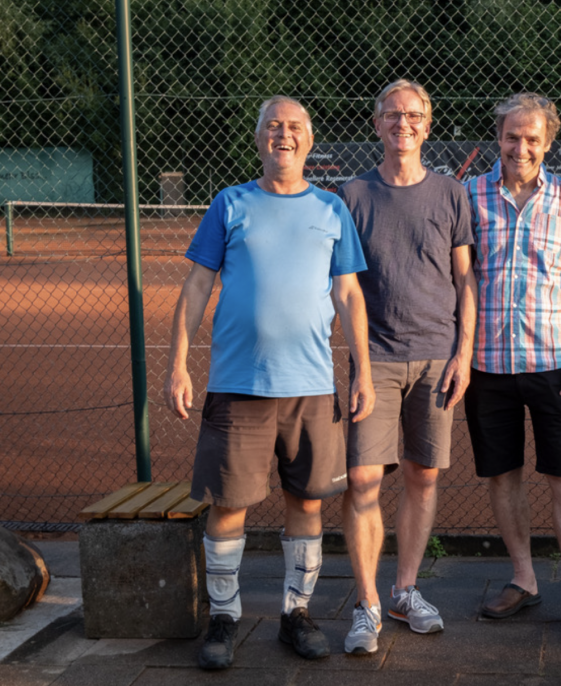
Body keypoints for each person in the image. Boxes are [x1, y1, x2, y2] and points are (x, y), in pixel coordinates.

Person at [163, 95, 375, 670]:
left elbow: (349, 294)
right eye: (273, 126)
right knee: (228, 506)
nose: (284, 135)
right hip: (239, 385)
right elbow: (198, 287)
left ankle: (295, 613)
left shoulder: (332, 209)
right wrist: (178, 362)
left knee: (305, 502)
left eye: (296, 127)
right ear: (258, 139)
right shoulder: (230, 203)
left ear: (310, 140)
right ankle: (224, 617)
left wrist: (363, 372)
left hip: (310, 386)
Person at [338, 79, 478, 655]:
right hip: (376, 361)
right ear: (377, 124)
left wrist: (463, 355)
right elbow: (344, 286)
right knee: (365, 480)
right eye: (392, 114)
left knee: (423, 476)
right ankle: (367, 604)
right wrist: (360, 367)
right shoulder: (352, 194)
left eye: (414, 115)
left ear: (427, 122)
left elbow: (465, 279)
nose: (404, 123)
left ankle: (405, 590)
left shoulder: (450, 193)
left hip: (438, 360)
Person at [463, 92, 561, 647]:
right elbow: (461, 276)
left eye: (532, 139)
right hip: (488, 364)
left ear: (547, 143)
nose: (520, 147)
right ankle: (523, 578)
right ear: (498, 136)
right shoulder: (468, 195)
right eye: (511, 136)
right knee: (503, 474)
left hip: (554, 364)